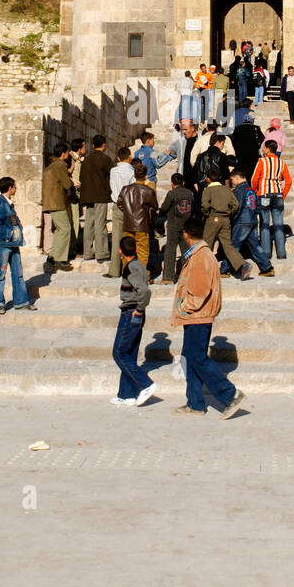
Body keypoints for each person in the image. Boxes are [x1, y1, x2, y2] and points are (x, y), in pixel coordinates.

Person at [171, 218, 247, 419]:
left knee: (197, 357)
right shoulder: (200, 254)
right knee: (191, 356)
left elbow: (200, 290)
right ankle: (195, 403)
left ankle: (231, 395)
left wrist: (185, 307)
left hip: (198, 315)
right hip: (196, 315)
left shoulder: (200, 256)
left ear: (186, 234)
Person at [110, 236, 156, 407]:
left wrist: (140, 308)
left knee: (119, 353)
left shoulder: (131, 268)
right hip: (135, 313)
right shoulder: (140, 265)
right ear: (136, 250)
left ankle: (145, 384)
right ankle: (126, 394)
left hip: (131, 312)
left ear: (120, 251)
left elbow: (144, 291)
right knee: (129, 353)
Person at [0, 176, 36, 311]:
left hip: (14, 245)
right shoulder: (0, 205)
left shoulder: (9, 204)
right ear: (10, 188)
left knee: (18, 273)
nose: (16, 189)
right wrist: (9, 235)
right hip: (4, 246)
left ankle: (21, 301)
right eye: (14, 187)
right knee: (1, 274)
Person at [224, 169, 274, 276]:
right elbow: (258, 206)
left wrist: (233, 218)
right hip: (252, 220)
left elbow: (237, 206)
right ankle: (267, 267)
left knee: (233, 246)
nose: (232, 182)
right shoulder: (251, 189)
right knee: (255, 246)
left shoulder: (239, 190)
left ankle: (224, 269)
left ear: (237, 178)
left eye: (232, 179)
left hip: (242, 221)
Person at [201, 174, 251, 279]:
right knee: (228, 245)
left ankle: (205, 270)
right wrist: (229, 213)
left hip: (213, 218)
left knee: (206, 244)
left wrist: (206, 214)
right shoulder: (227, 189)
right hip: (226, 219)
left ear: (208, 179)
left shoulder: (207, 190)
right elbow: (236, 205)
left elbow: (205, 205)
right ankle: (242, 264)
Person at [251, 139, 292, 261]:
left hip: (264, 194)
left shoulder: (262, 162)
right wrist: (282, 195)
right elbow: (288, 181)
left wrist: (256, 192)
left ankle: (266, 253)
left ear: (268, 149)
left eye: (264, 148)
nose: (263, 150)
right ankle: (281, 253)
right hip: (278, 194)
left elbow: (254, 179)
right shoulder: (281, 163)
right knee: (278, 225)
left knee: (264, 224)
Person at [117, 159, 159, 273]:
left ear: (134, 175)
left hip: (128, 223)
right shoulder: (148, 191)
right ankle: (141, 274)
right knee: (143, 251)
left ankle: (127, 272)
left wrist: (128, 213)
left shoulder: (125, 189)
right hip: (142, 224)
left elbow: (120, 204)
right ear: (146, 176)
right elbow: (155, 206)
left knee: (127, 250)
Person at [80, 134, 113, 263]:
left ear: (93, 145)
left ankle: (87, 252)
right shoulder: (105, 159)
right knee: (100, 224)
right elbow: (109, 177)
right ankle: (101, 252)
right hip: (100, 195)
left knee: (89, 224)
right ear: (104, 144)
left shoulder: (86, 160)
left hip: (88, 196)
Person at [42, 143, 74, 271]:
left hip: (49, 202)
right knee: (66, 228)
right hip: (57, 202)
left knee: (60, 230)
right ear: (63, 153)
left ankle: (52, 257)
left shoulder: (50, 166)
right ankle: (61, 259)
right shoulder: (61, 165)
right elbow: (67, 185)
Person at [158, 172, 195, 283]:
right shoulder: (190, 193)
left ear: (172, 183)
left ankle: (168, 277)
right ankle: (186, 276)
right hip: (186, 226)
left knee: (170, 251)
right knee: (186, 251)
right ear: (183, 182)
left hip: (173, 225)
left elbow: (164, 208)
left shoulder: (171, 194)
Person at [107, 146, 135, 278]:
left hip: (117, 205)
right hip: (130, 206)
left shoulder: (113, 171)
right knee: (129, 237)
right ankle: (128, 268)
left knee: (116, 237)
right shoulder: (133, 172)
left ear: (118, 158)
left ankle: (114, 270)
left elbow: (112, 186)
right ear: (130, 157)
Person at [232, 103, 264, 181]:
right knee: (252, 170)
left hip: (241, 153)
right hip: (253, 153)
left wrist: (237, 148)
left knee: (242, 170)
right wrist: (257, 146)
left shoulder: (238, 128)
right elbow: (262, 138)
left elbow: (233, 139)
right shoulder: (256, 128)